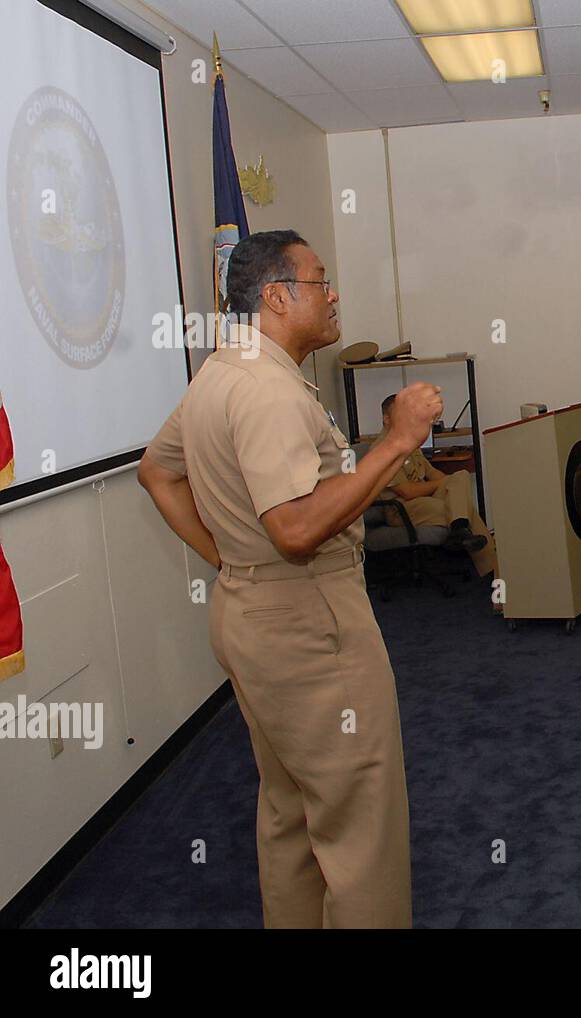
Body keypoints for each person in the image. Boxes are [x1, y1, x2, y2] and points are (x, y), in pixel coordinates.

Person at [138, 230, 434, 928]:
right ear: (275, 296)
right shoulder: (268, 392)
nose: (333, 296)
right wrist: (395, 443)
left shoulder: (222, 371)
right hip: (309, 623)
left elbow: (157, 470)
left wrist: (232, 559)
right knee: (360, 822)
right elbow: (296, 530)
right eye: (319, 281)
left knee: (292, 809)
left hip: (250, 614)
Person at [378, 395, 496, 577]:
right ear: (387, 419)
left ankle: (460, 530)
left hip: (422, 500)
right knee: (460, 509)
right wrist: (443, 484)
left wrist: (448, 485)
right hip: (401, 509)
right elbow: (406, 491)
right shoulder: (383, 450)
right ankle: (494, 574)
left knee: (460, 477)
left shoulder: (409, 443)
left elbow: (433, 473)